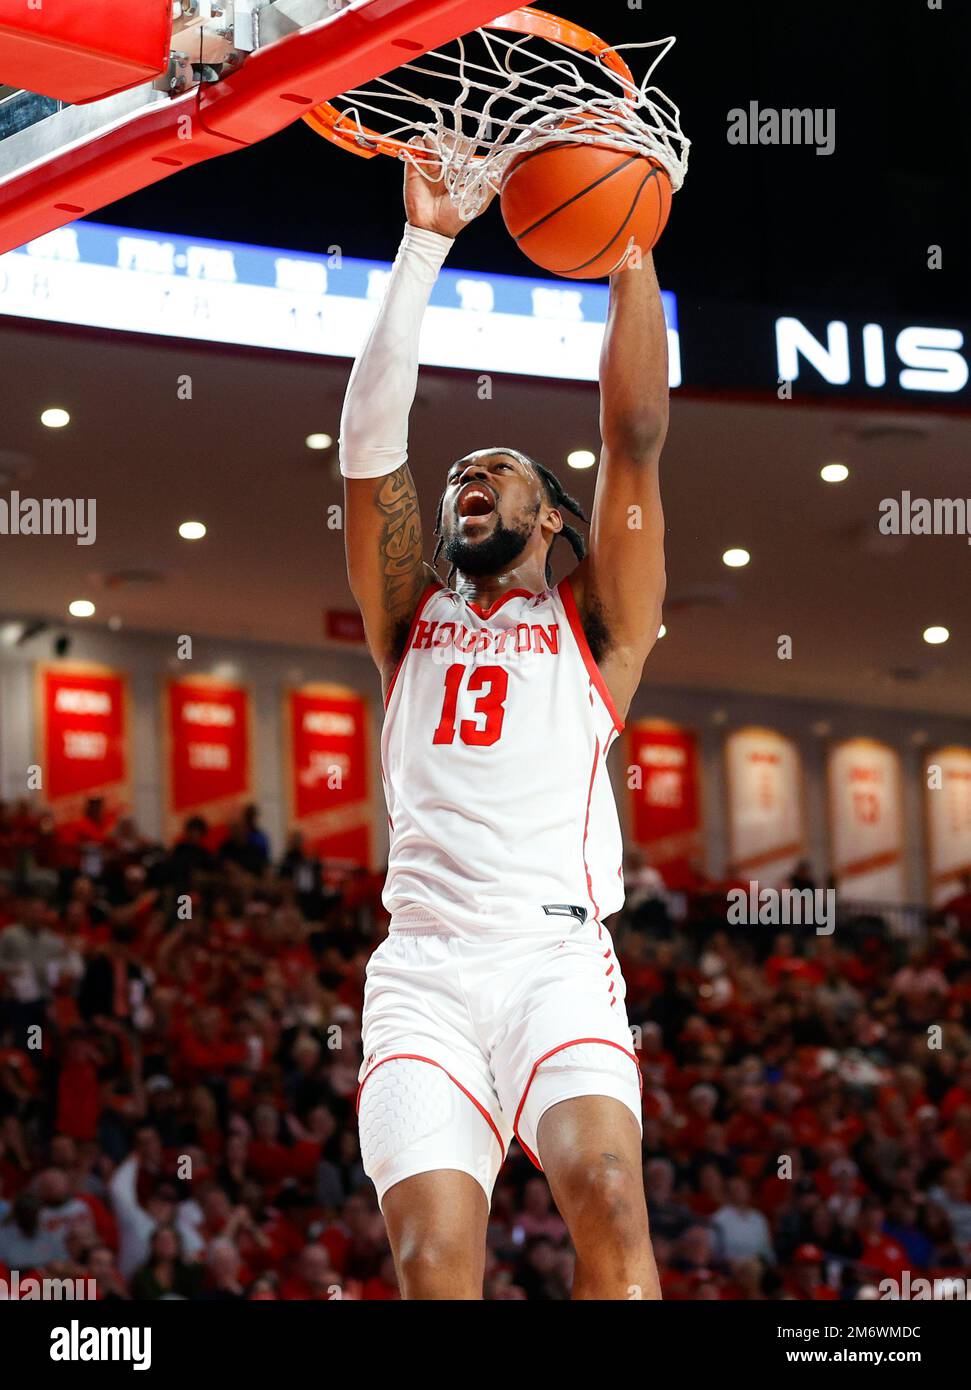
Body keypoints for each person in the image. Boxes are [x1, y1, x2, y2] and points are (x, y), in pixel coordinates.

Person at [340, 140, 668, 1299]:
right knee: (436, 1271)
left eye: (495, 468)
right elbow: (368, 449)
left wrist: (630, 252)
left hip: (554, 960)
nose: (465, 477)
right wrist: (424, 242)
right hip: (423, 971)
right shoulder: (407, 617)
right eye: (459, 475)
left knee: (613, 1208)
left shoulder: (595, 625)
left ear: (551, 514)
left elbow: (632, 443)